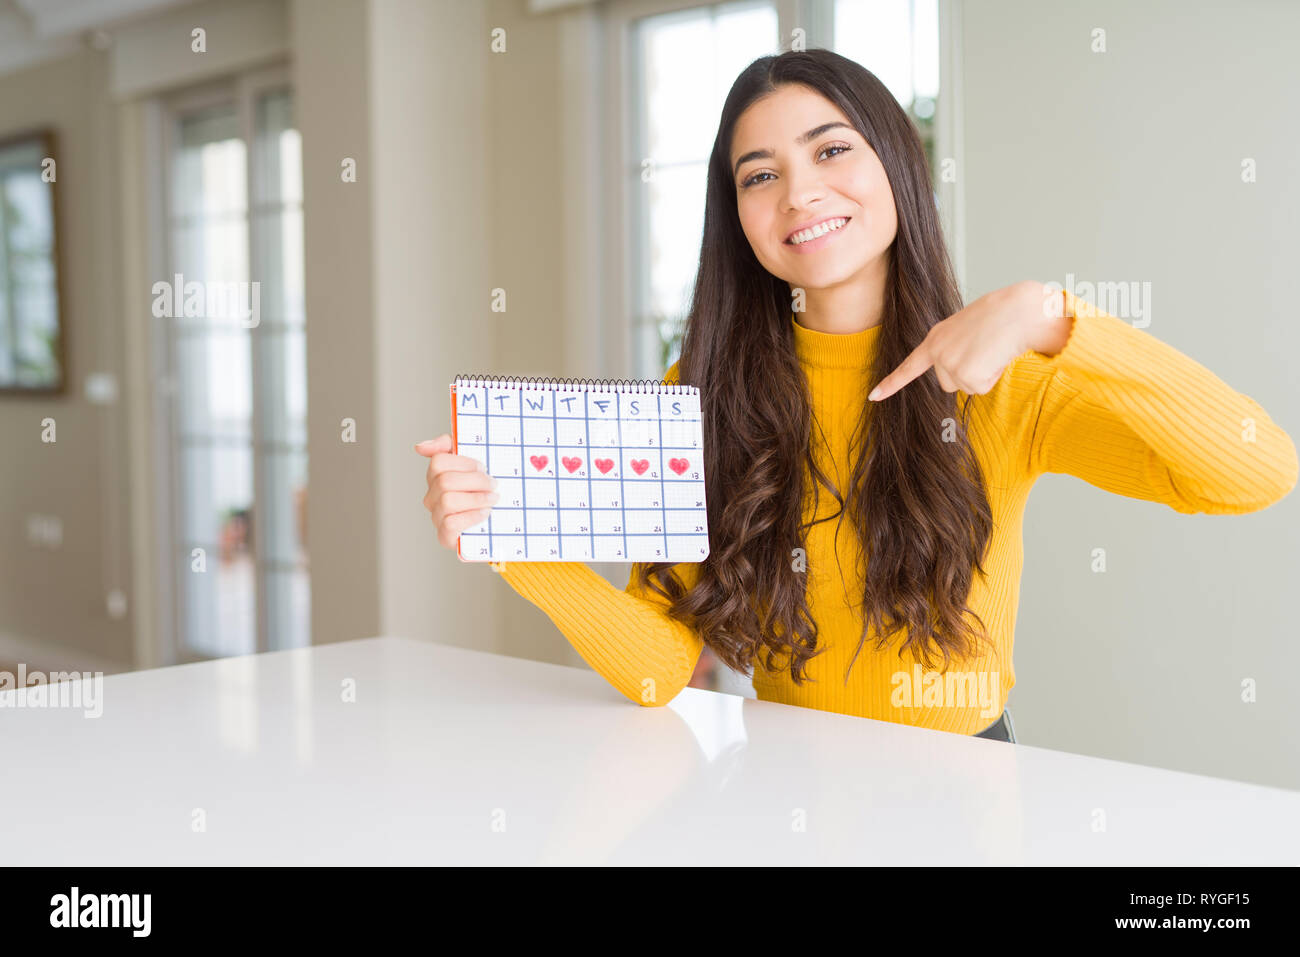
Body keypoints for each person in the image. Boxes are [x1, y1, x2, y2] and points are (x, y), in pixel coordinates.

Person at [415, 49, 1296, 742]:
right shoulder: (699, 398)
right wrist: (509, 539)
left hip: (966, 797)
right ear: (739, 217)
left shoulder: (1004, 380)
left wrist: (1057, 319)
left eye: (832, 149)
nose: (800, 192)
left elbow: (1257, 471)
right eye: (758, 174)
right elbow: (658, 668)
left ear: (896, 165)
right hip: (784, 791)